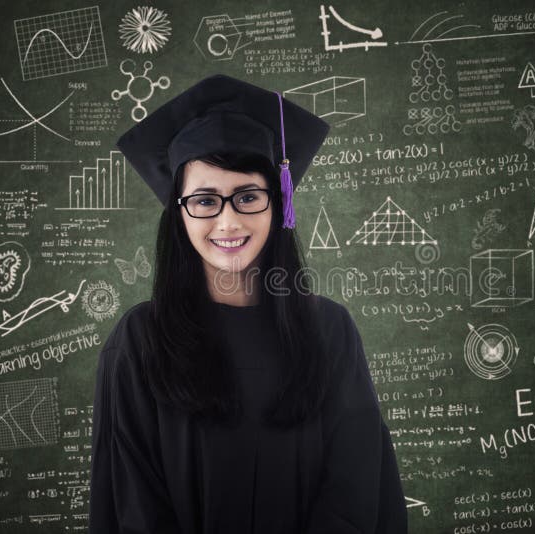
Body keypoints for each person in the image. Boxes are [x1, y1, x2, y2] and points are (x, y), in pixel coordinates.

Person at [88, 75, 408, 533]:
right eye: (204, 200)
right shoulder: (139, 342)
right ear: (178, 214)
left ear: (277, 203)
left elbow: (355, 492)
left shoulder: (328, 331)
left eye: (247, 196)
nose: (228, 220)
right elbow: (133, 505)